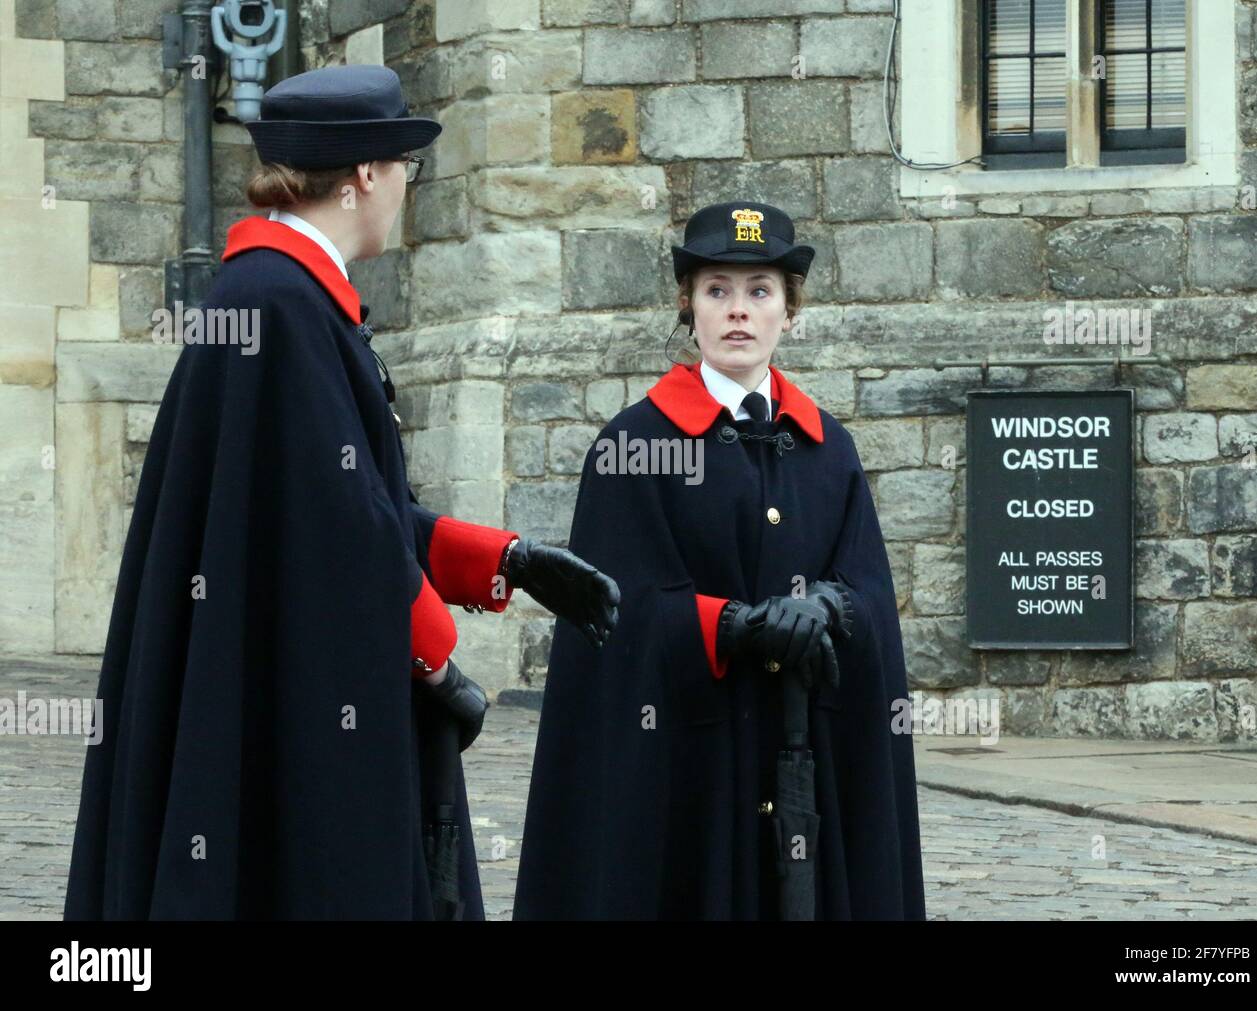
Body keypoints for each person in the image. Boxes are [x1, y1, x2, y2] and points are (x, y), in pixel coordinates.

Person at [62, 64, 618, 920]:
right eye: (403, 166)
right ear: (365, 173)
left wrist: (502, 559)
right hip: (314, 706)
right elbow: (346, 531)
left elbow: (331, 502)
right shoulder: (283, 306)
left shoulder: (272, 298)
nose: (404, 187)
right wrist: (438, 661)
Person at [513, 201, 925, 920]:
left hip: (805, 749)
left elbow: (870, 589)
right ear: (689, 307)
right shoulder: (633, 444)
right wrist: (727, 625)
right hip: (685, 766)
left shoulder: (830, 449)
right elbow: (614, 607)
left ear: (788, 312)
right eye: (717, 291)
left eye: (760, 291)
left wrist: (828, 607)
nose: (739, 311)